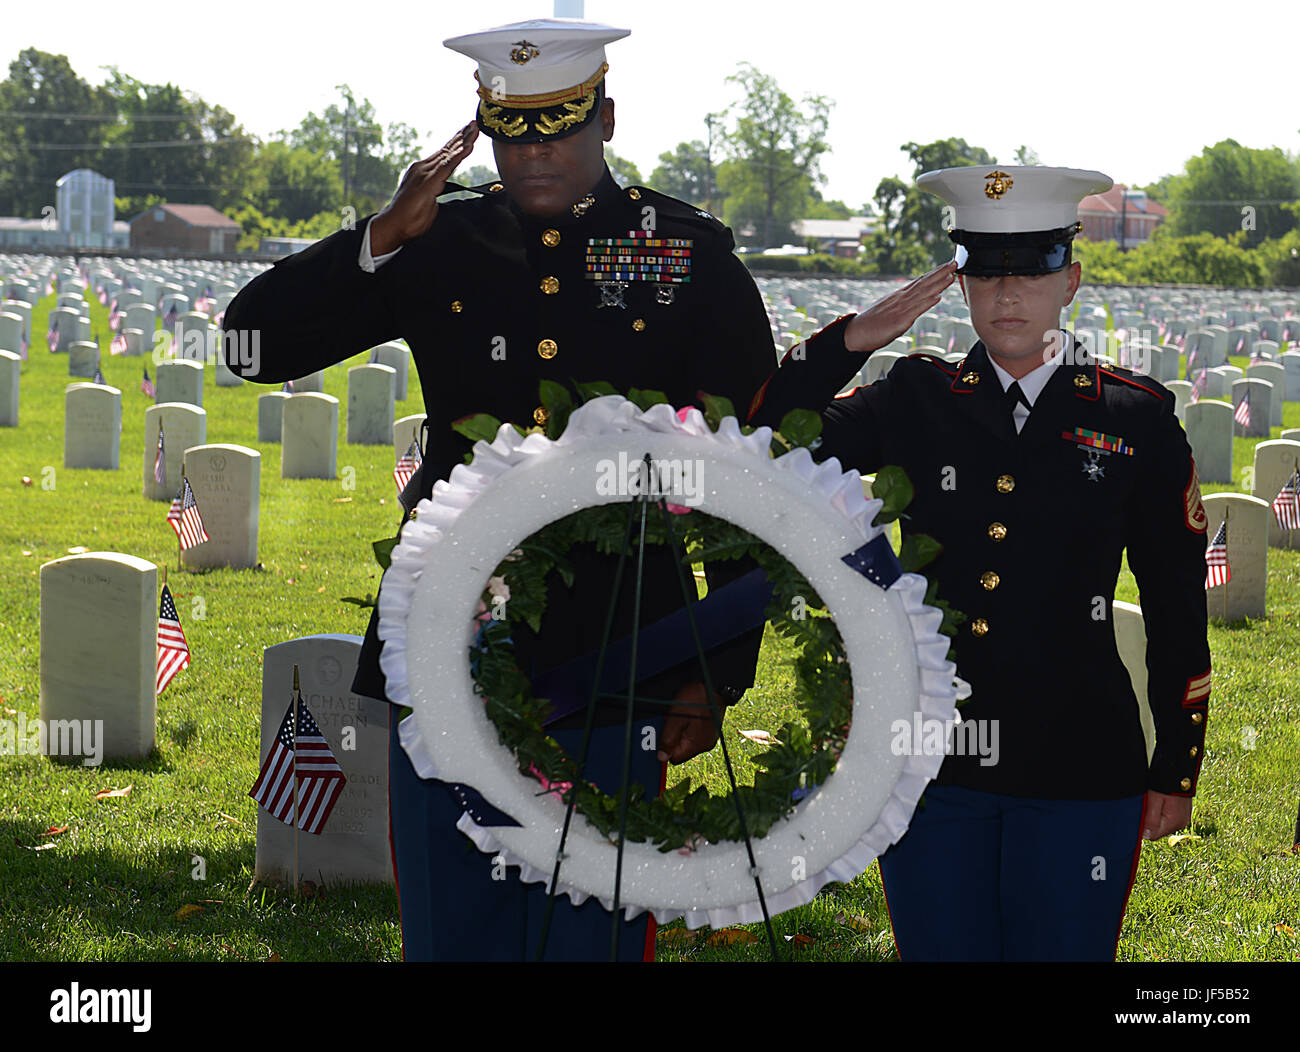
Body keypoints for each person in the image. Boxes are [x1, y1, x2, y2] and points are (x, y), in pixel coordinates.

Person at [223, 18, 777, 961]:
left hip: (622, 640)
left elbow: (747, 470)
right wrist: (377, 238)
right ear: (485, 130)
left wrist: (711, 669)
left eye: (558, 127)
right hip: (447, 630)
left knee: (592, 926)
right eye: (513, 133)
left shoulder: (682, 253)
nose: (536, 155)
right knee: (453, 925)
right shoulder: (438, 240)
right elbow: (250, 347)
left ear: (606, 117)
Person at [747, 166, 1210, 961]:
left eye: (1030, 268)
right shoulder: (913, 399)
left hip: (1079, 762)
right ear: (960, 283)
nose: (1007, 293)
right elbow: (765, 446)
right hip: (933, 765)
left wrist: (1175, 763)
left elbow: (1174, 602)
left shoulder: (1134, 417)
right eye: (985, 270)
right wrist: (849, 343)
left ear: (1070, 278)